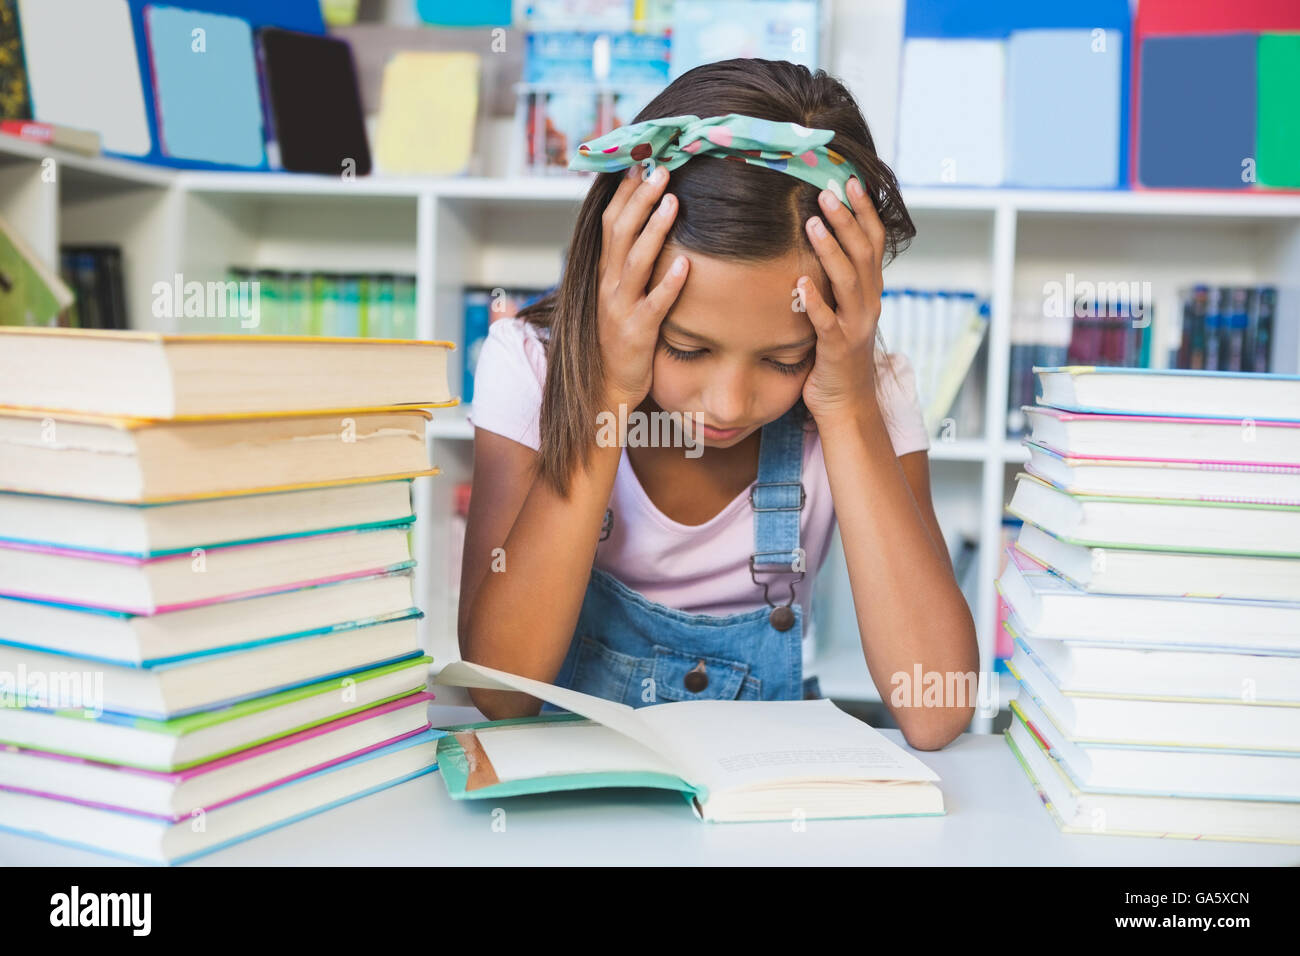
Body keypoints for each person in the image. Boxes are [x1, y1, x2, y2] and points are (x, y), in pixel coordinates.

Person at [460, 58, 978, 750]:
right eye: (686, 349)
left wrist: (848, 406)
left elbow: (935, 708)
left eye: (785, 359)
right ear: (618, 281)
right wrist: (609, 394)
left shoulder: (866, 394)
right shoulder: (530, 368)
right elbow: (501, 691)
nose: (730, 404)